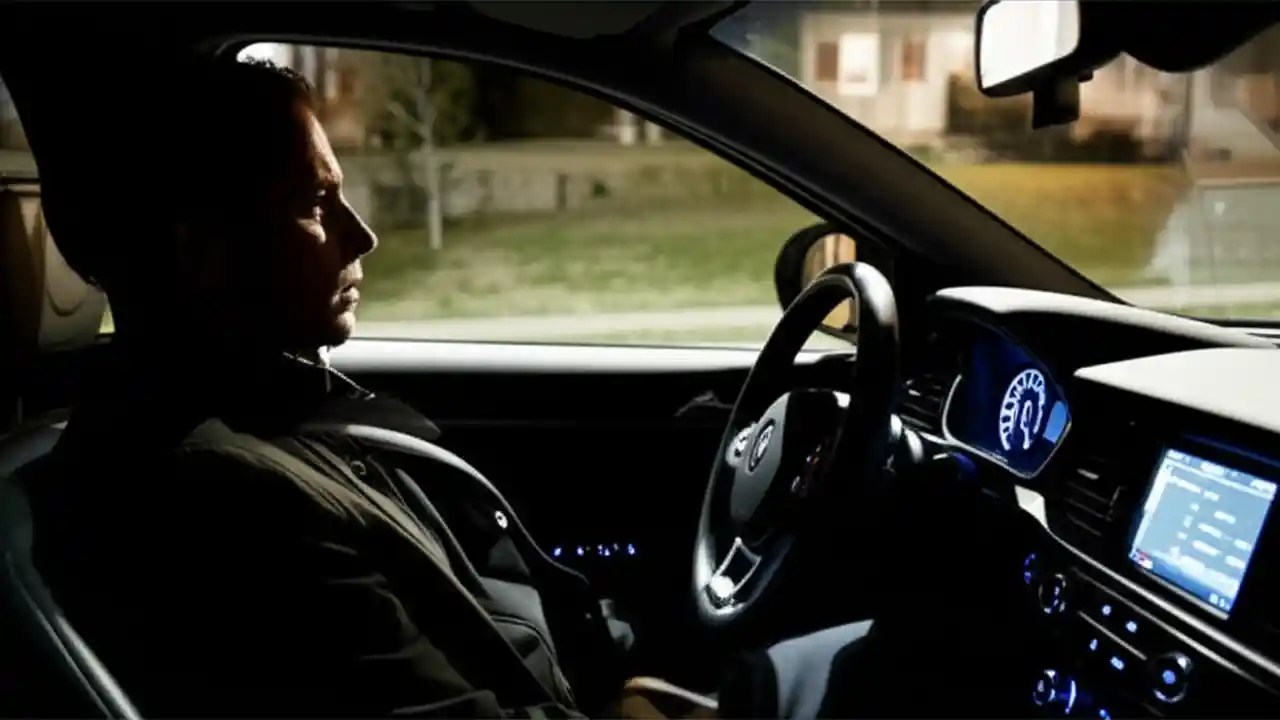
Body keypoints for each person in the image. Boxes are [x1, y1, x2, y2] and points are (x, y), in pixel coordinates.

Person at [20, 57, 883, 719]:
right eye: (314, 205)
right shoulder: (214, 500)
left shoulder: (270, 401)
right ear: (200, 249)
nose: (361, 238)